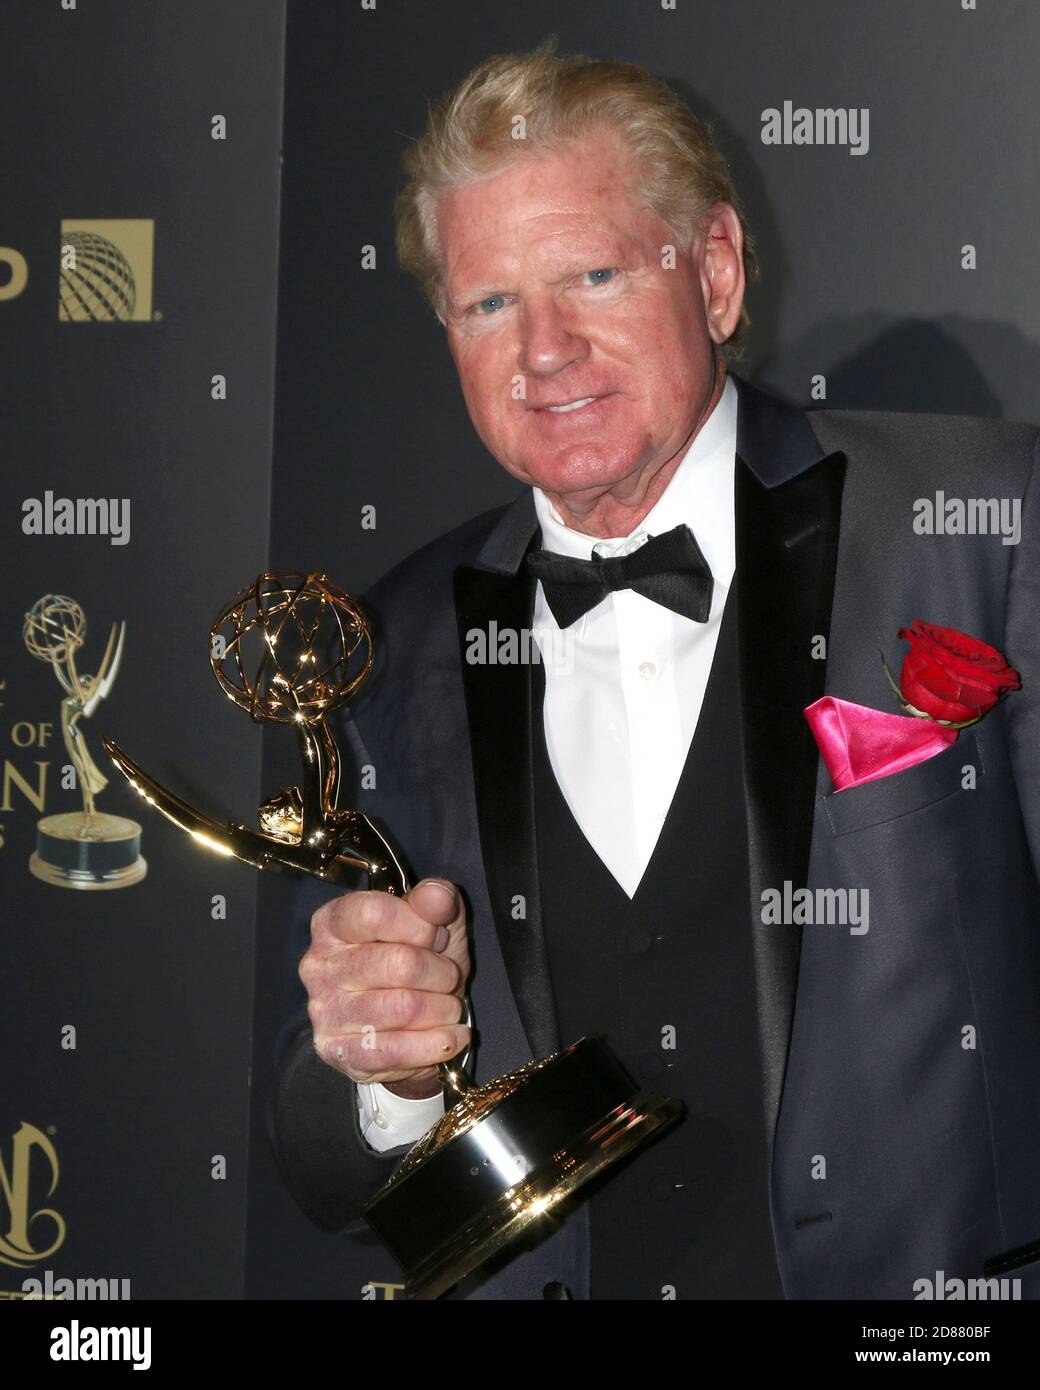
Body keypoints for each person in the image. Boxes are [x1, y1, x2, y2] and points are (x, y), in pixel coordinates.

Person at [271, 43, 1040, 1300]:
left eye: (593, 273)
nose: (546, 349)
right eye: (488, 304)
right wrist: (384, 1078)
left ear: (718, 274)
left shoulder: (974, 522)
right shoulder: (384, 647)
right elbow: (314, 1168)